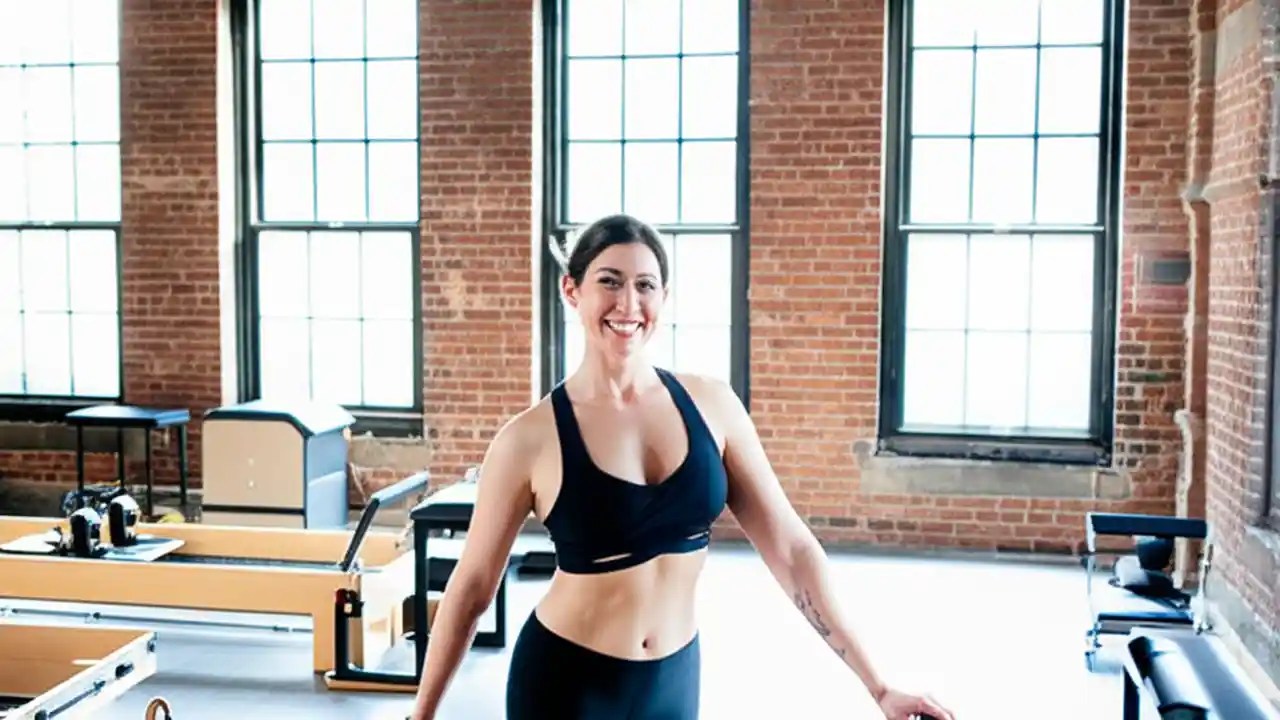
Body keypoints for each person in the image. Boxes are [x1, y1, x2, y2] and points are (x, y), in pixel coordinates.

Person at [407, 214, 955, 720]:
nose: (628, 303)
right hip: (567, 684)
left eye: (645, 285)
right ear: (571, 290)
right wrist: (422, 716)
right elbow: (473, 588)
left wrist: (878, 685)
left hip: (673, 681)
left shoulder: (713, 406)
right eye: (610, 281)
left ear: (664, 296)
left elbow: (792, 550)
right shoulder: (527, 439)